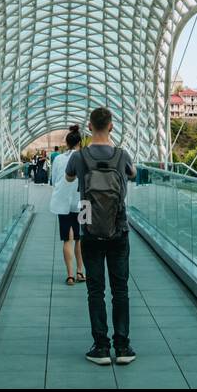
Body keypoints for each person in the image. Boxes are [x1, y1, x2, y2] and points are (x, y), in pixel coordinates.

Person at [66, 106, 137, 366]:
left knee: (95, 290)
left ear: (89, 126)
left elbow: (69, 176)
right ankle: (123, 346)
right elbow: (133, 174)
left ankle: (100, 347)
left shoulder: (80, 156)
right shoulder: (122, 155)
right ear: (111, 126)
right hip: (120, 226)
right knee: (120, 289)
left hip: (88, 225)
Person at [49, 126, 85, 286]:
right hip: (83, 202)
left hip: (62, 201)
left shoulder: (58, 159)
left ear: (67, 143)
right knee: (81, 238)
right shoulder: (85, 158)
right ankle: (80, 271)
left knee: (67, 239)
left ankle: (70, 275)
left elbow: (54, 180)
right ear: (80, 142)